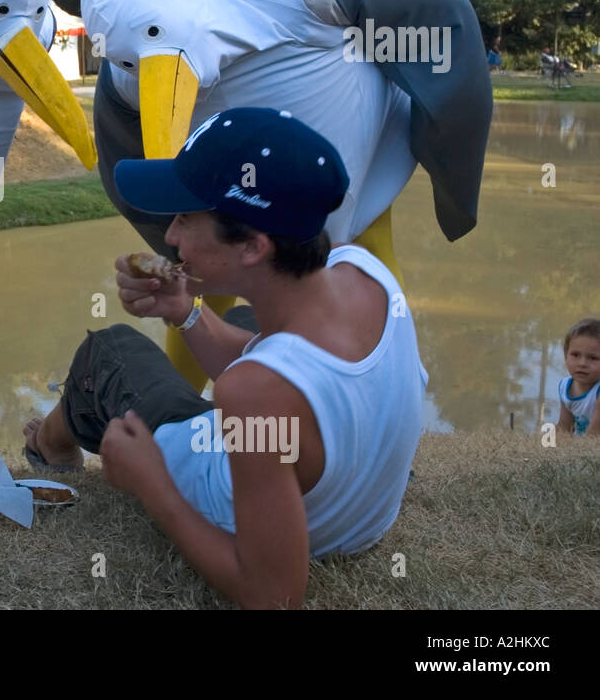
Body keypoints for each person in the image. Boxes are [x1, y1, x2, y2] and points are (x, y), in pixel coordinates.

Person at [22, 108, 428, 609]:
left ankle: (49, 448)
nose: (169, 237)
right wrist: (184, 310)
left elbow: (273, 596)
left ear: (254, 246)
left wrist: (153, 485)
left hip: (255, 510)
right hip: (354, 522)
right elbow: (289, 373)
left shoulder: (253, 394)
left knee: (108, 351)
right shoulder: (364, 272)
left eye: (187, 219)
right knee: (243, 324)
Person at [556, 318, 600, 437]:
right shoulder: (565, 386)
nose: (582, 363)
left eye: (593, 358)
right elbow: (564, 426)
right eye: (575, 355)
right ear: (566, 356)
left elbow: (595, 434)